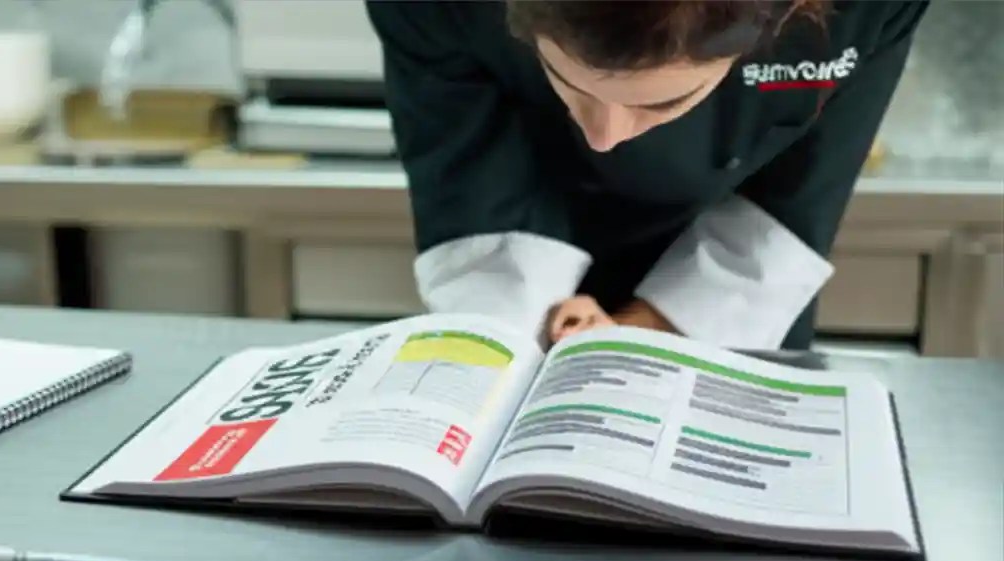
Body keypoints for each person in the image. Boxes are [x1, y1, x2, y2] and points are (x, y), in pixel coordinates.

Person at [365, 0, 928, 349]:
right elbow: (470, 166)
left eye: (661, 103)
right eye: (571, 84)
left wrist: (645, 331)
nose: (603, 136)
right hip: (523, 210)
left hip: (736, 281)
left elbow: (802, 187)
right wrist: (525, 333)